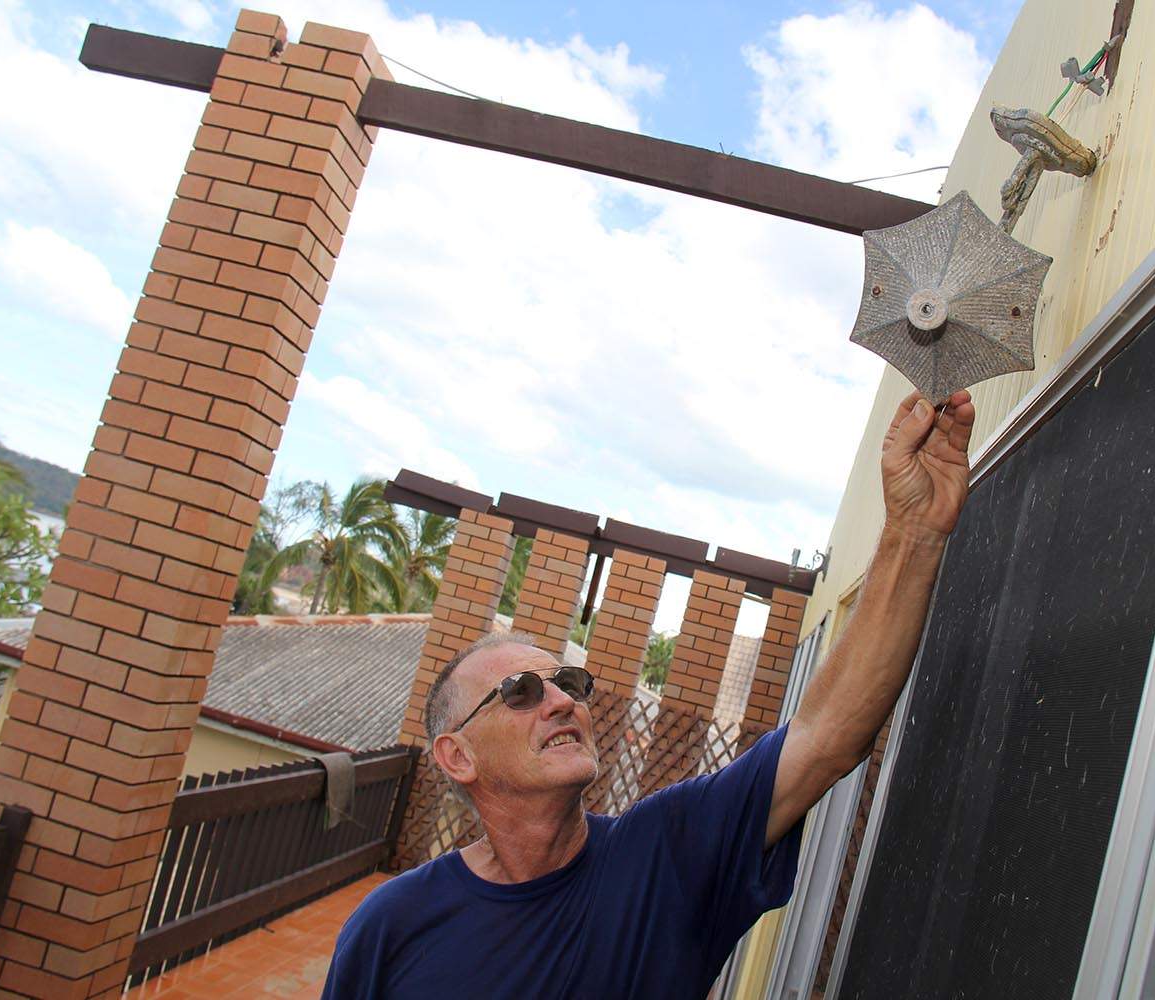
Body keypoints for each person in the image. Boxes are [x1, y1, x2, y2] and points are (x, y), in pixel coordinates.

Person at [322, 389, 975, 999]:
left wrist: (913, 534)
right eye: (519, 692)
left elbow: (826, 737)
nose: (561, 701)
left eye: (568, 683)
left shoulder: (666, 858)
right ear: (456, 756)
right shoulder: (391, 927)